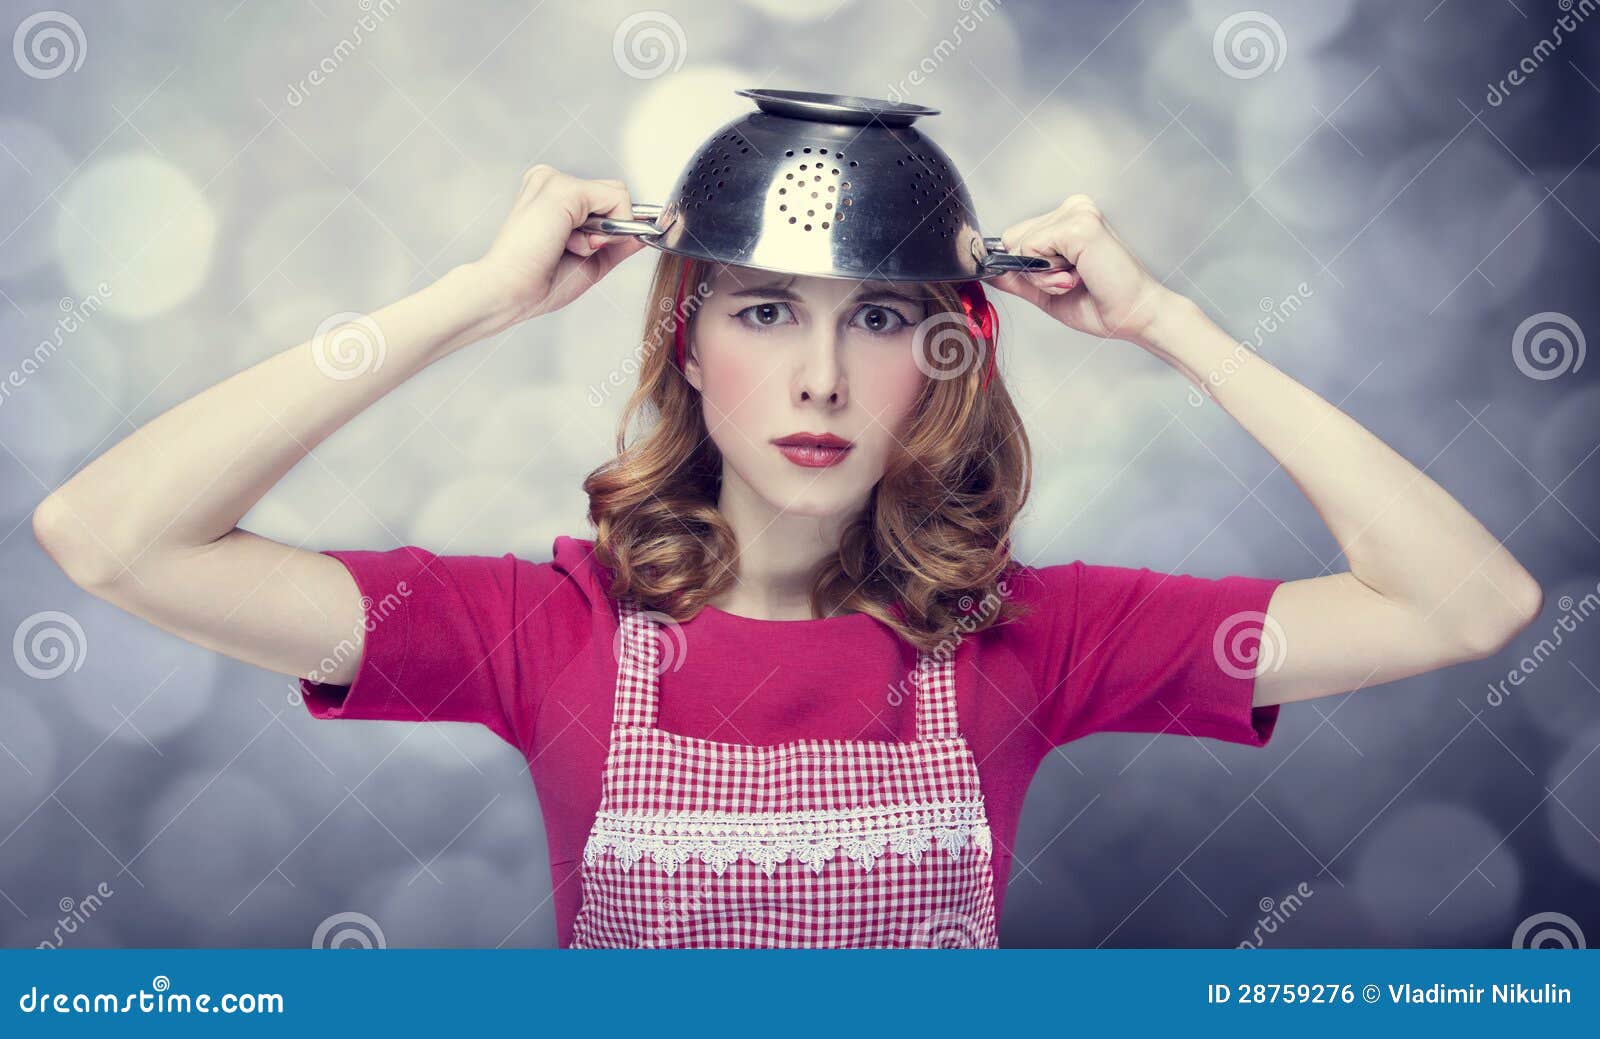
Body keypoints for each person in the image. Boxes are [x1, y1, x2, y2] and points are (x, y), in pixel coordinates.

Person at [32, 164, 1542, 948]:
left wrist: (1176, 326)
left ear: (942, 355)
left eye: (878, 316)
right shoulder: (536, 631)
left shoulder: (1037, 638)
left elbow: (1471, 601)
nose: (821, 378)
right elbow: (109, 535)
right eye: (763, 310)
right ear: (685, 349)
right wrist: (470, 303)